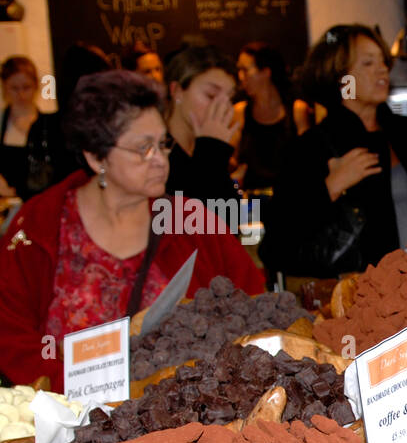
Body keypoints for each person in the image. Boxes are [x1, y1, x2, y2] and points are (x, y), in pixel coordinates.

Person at [0, 71, 263, 390]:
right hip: (70, 419)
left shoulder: (189, 220)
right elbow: (11, 338)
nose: (161, 161)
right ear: (96, 157)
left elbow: (254, 308)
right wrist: (77, 392)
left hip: (188, 419)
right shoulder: (37, 228)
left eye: (163, 144)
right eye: (143, 148)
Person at [274, 24, 407, 273]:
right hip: (359, 295)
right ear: (341, 77)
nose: (382, 68)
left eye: (383, 61)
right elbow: (280, 242)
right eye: (367, 63)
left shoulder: (406, 132)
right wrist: (330, 187)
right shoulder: (311, 147)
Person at [164, 45, 241, 202]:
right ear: (177, 91)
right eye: (211, 95)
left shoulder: (202, 148)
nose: (223, 108)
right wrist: (211, 149)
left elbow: (230, 216)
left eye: (230, 99)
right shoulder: (157, 154)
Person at [232, 41, 313, 191]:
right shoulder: (240, 112)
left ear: (266, 72)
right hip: (253, 204)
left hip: (291, 199)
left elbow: (310, 162)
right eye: (239, 70)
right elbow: (232, 160)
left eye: (245, 70)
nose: (240, 77)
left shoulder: (297, 111)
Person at [0, 56, 72, 199]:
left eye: (26, 87)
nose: (21, 94)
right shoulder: (1, 120)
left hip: (43, 202)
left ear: (36, 86)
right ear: (4, 87)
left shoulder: (51, 124)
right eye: (14, 88)